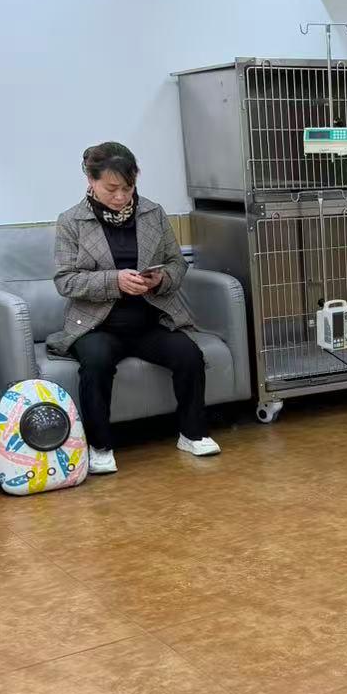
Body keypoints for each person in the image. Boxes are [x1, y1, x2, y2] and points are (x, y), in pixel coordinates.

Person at [49, 142, 220, 474]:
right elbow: (65, 280)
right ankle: (100, 447)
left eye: (127, 188)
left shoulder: (152, 213)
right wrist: (115, 281)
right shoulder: (71, 221)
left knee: (188, 355)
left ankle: (192, 433)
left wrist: (160, 279)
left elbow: (176, 264)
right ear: (91, 180)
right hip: (97, 324)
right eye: (111, 188)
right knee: (96, 363)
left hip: (149, 320)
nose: (120, 197)